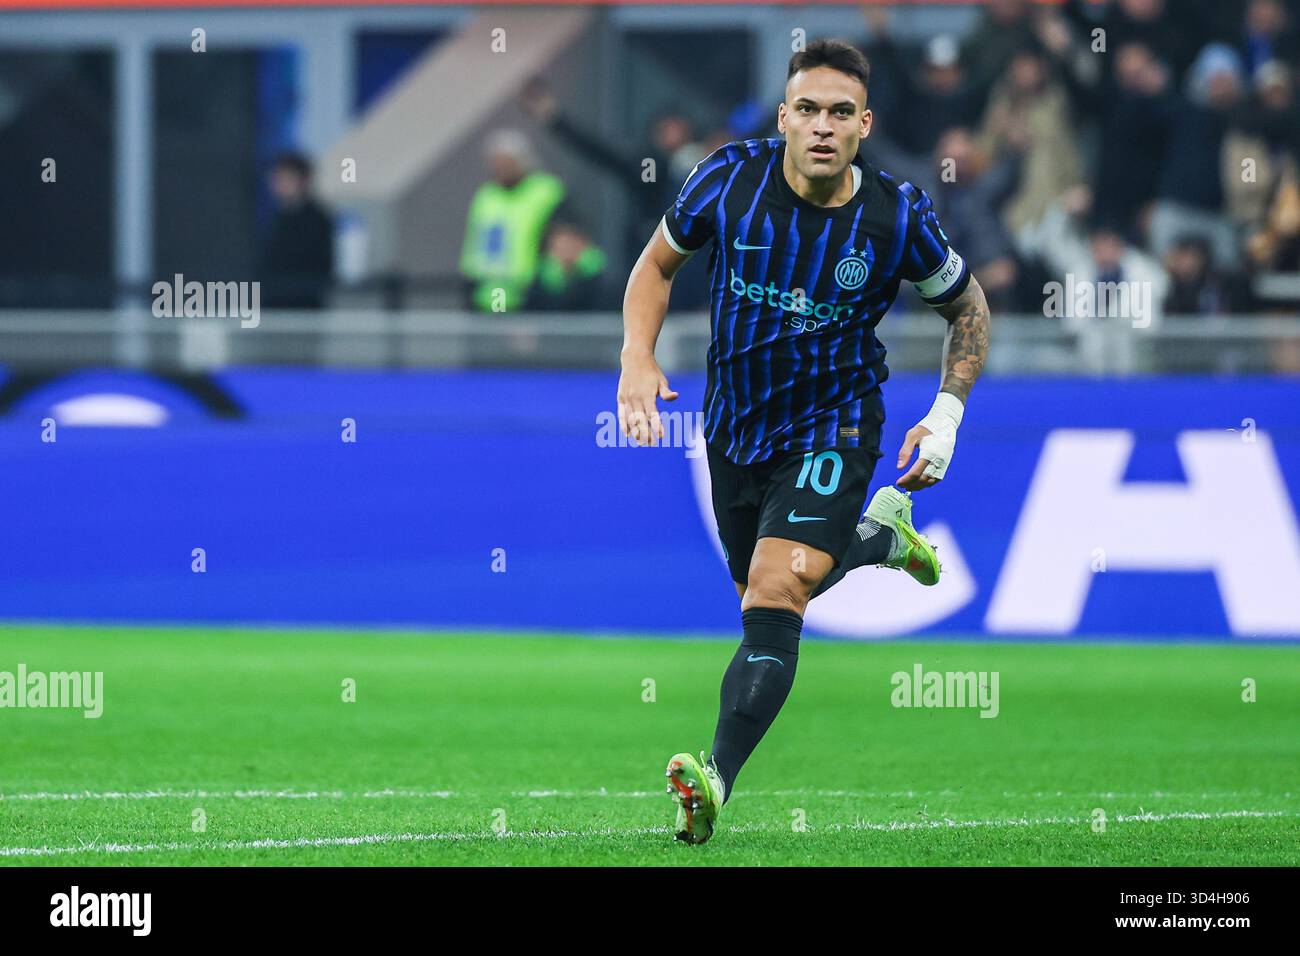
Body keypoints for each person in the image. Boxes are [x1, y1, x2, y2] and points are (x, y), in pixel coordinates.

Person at [616, 39, 991, 844]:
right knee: (765, 597)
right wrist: (636, 358)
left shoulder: (896, 215)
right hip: (734, 429)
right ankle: (880, 538)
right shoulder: (727, 178)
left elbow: (968, 308)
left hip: (836, 425)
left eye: (840, 113)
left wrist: (947, 414)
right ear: (785, 116)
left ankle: (713, 780)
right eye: (810, 109)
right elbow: (656, 266)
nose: (823, 126)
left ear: (865, 125)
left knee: (776, 592)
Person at [459, 130, 565, 312]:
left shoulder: (545, 191)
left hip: (532, 290)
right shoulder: (487, 195)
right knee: (496, 322)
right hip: (492, 289)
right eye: (496, 162)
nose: (500, 167)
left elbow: (563, 236)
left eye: (506, 161)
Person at [256, 153, 334, 309]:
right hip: (272, 302)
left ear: (303, 181)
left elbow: (320, 267)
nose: (280, 184)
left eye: (287, 178)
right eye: (277, 179)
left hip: (304, 304)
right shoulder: (272, 218)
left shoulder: (318, 220)